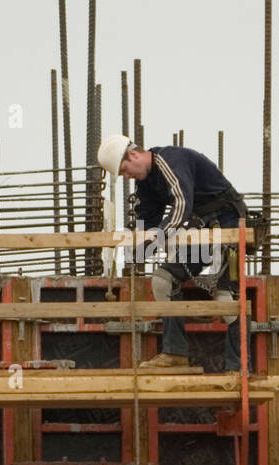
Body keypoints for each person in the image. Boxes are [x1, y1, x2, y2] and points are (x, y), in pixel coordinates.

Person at [96, 134, 247, 371]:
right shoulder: (146, 183)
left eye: (125, 170)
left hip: (229, 224)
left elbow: (182, 206)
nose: (127, 176)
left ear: (134, 155)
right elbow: (147, 221)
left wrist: (158, 238)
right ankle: (175, 354)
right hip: (203, 229)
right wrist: (133, 251)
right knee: (163, 281)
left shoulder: (170, 161)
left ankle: (237, 370)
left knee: (226, 299)